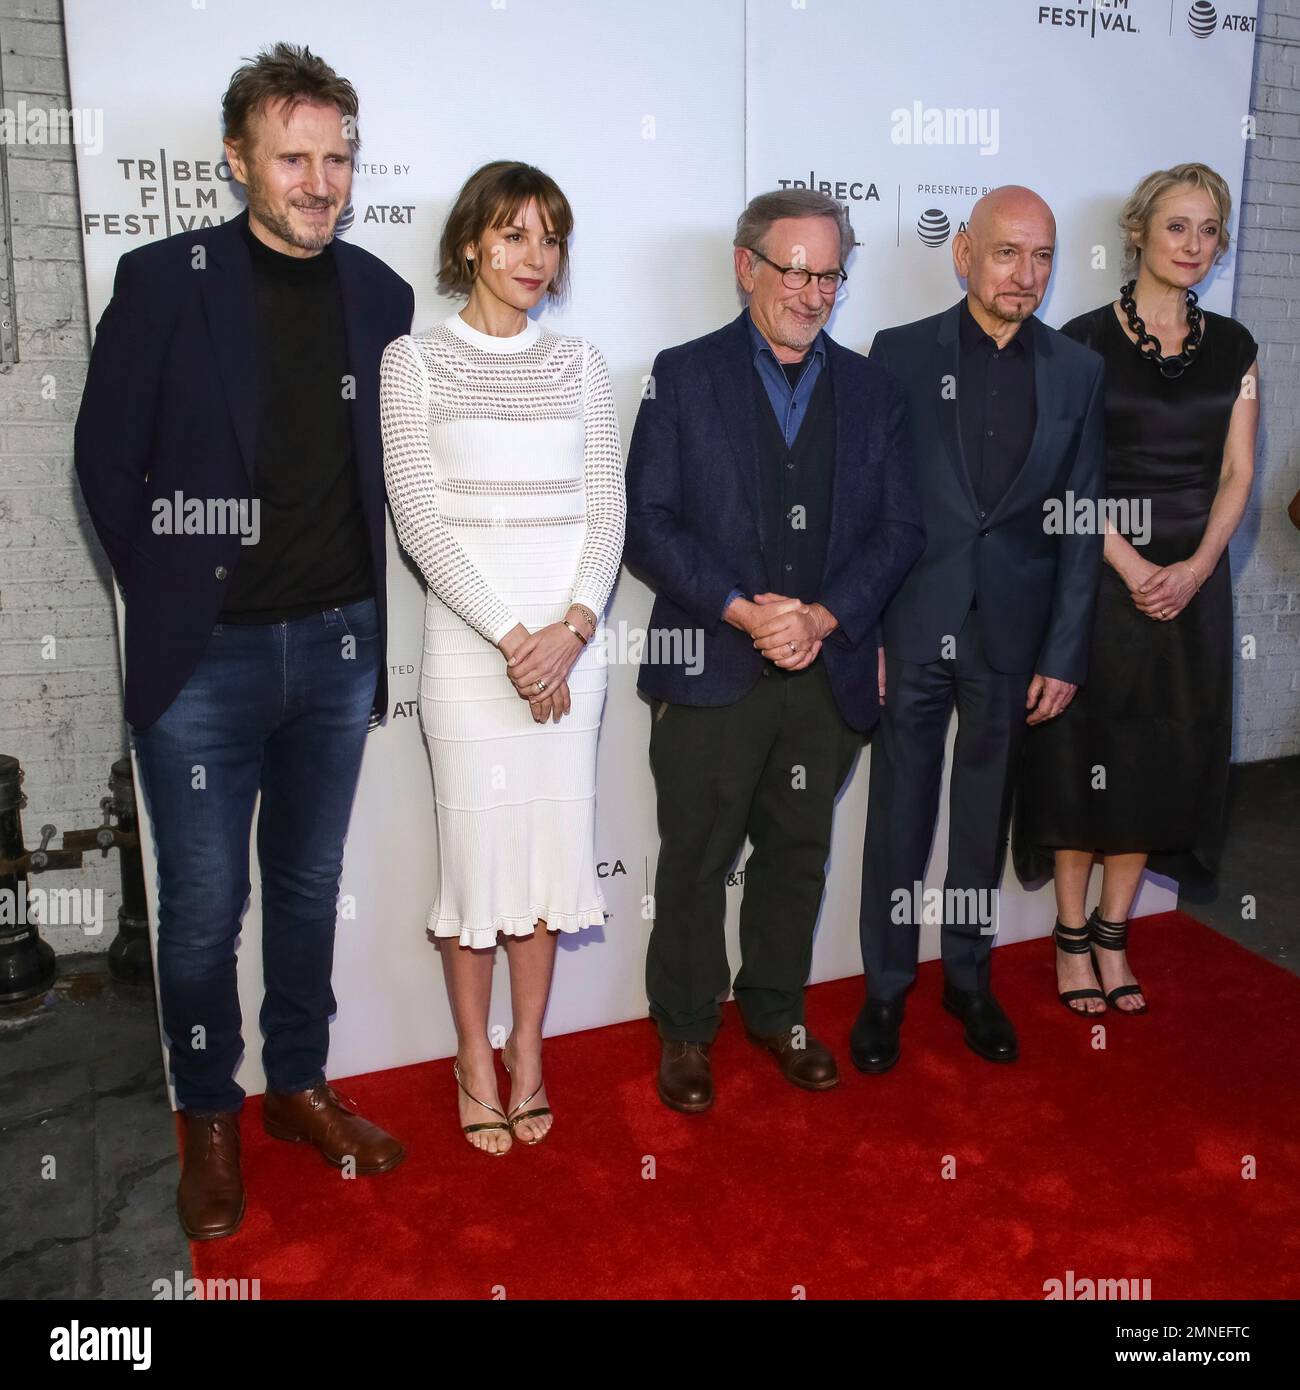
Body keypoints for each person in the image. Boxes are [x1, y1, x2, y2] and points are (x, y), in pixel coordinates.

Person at [74, 43, 415, 1238]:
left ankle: (298, 1087)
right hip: (204, 660)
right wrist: (176, 594)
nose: (319, 182)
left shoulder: (381, 295)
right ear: (237, 160)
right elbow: (106, 470)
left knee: (310, 891)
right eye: (293, 158)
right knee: (207, 908)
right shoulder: (165, 280)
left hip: (335, 649)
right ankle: (210, 1118)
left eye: (337, 157)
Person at [624, 188, 924, 1114]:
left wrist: (826, 618)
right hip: (716, 667)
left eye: (830, 273)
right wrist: (746, 611)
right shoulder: (682, 375)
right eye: (794, 269)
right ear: (746, 265)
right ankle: (683, 1029)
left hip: (824, 675)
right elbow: (647, 523)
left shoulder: (876, 391)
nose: (813, 291)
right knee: (697, 858)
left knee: (797, 851)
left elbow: (901, 528)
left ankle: (778, 1010)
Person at [381, 161, 625, 1155]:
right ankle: (469, 1057)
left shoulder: (581, 364)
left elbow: (605, 510)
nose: (535, 257)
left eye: (550, 237)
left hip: (569, 651)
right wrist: (515, 638)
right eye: (515, 233)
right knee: (478, 868)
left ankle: (527, 1050)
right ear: (472, 242)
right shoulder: (414, 362)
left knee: (545, 867)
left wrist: (568, 630)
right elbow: (418, 518)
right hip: (473, 654)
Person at [852, 186, 1106, 1072]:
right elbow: (870, 508)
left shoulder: (1076, 371)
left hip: (1012, 638)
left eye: (1042, 257)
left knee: (978, 829)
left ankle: (967, 980)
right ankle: (885, 990)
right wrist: (869, 633)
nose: (1025, 275)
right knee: (898, 823)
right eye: (1007, 253)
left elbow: (1080, 519)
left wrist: (1066, 650)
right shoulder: (898, 354)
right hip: (914, 626)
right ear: (964, 253)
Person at [1014, 163, 1259, 1015]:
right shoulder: (1081, 340)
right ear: (1138, 233)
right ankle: (1070, 934)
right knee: (1087, 754)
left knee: (1158, 756)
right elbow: (1060, 472)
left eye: (1208, 231)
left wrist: (1194, 568)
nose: (1194, 245)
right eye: (1178, 227)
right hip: (1100, 574)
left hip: (1193, 584)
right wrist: (1127, 563)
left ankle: (1115, 936)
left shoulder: (1234, 348)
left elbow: (1238, 472)